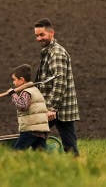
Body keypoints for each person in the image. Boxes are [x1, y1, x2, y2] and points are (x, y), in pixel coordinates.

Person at [33, 18, 80, 156]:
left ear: (51, 33)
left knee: (33, 134)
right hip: (59, 107)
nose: (38, 38)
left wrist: (52, 108)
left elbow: (60, 82)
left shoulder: (56, 53)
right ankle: (75, 166)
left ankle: (39, 160)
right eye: (36, 35)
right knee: (68, 144)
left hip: (58, 109)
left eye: (42, 35)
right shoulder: (48, 51)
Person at [7, 64, 50, 150]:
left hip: (31, 129)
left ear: (22, 80)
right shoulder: (35, 90)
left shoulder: (27, 92)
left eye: (14, 80)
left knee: (17, 152)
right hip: (40, 129)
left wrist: (13, 94)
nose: (13, 82)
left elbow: (22, 106)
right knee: (40, 155)